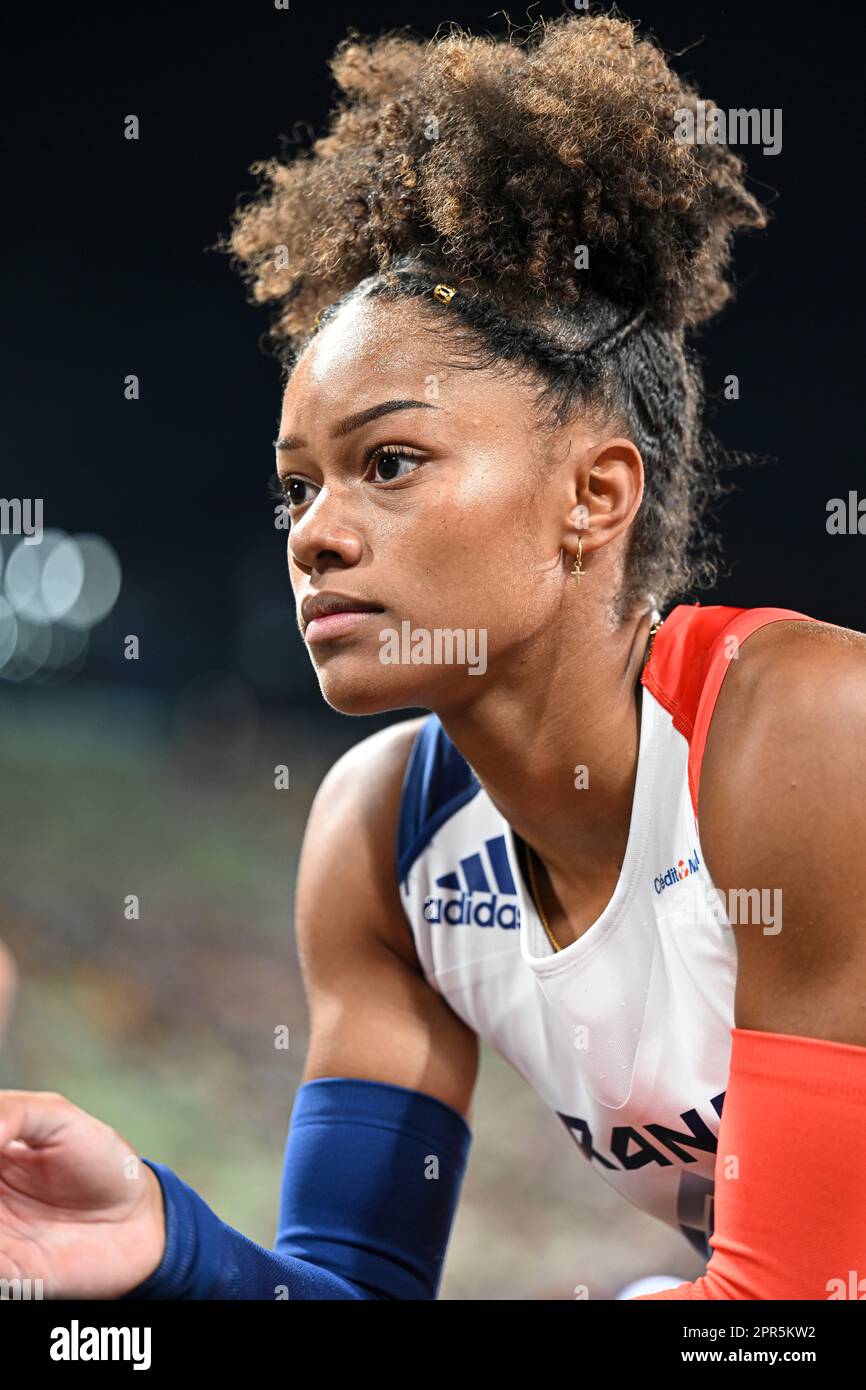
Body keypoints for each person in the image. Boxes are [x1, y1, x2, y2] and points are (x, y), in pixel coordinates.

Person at [2, 13, 865, 1302]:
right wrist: (163, 1250)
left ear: (597, 494)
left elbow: (782, 1317)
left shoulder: (801, 732)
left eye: (388, 464)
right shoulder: (386, 840)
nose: (316, 536)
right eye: (297, 488)